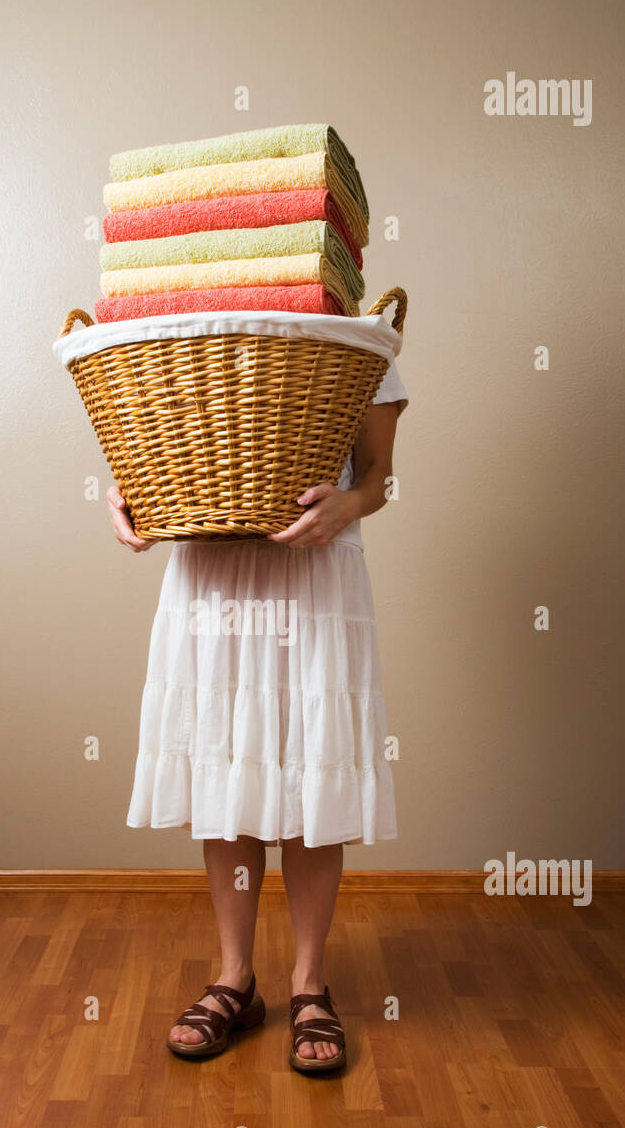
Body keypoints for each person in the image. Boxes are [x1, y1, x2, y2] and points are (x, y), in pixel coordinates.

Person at [107, 360, 409, 1072]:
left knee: (310, 765)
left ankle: (309, 985)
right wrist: (131, 497)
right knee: (226, 763)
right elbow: (152, 443)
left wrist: (349, 504)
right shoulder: (196, 337)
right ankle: (235, 980)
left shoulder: (356, 346)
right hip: (211, 568)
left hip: (313, 563)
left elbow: (378, 476)